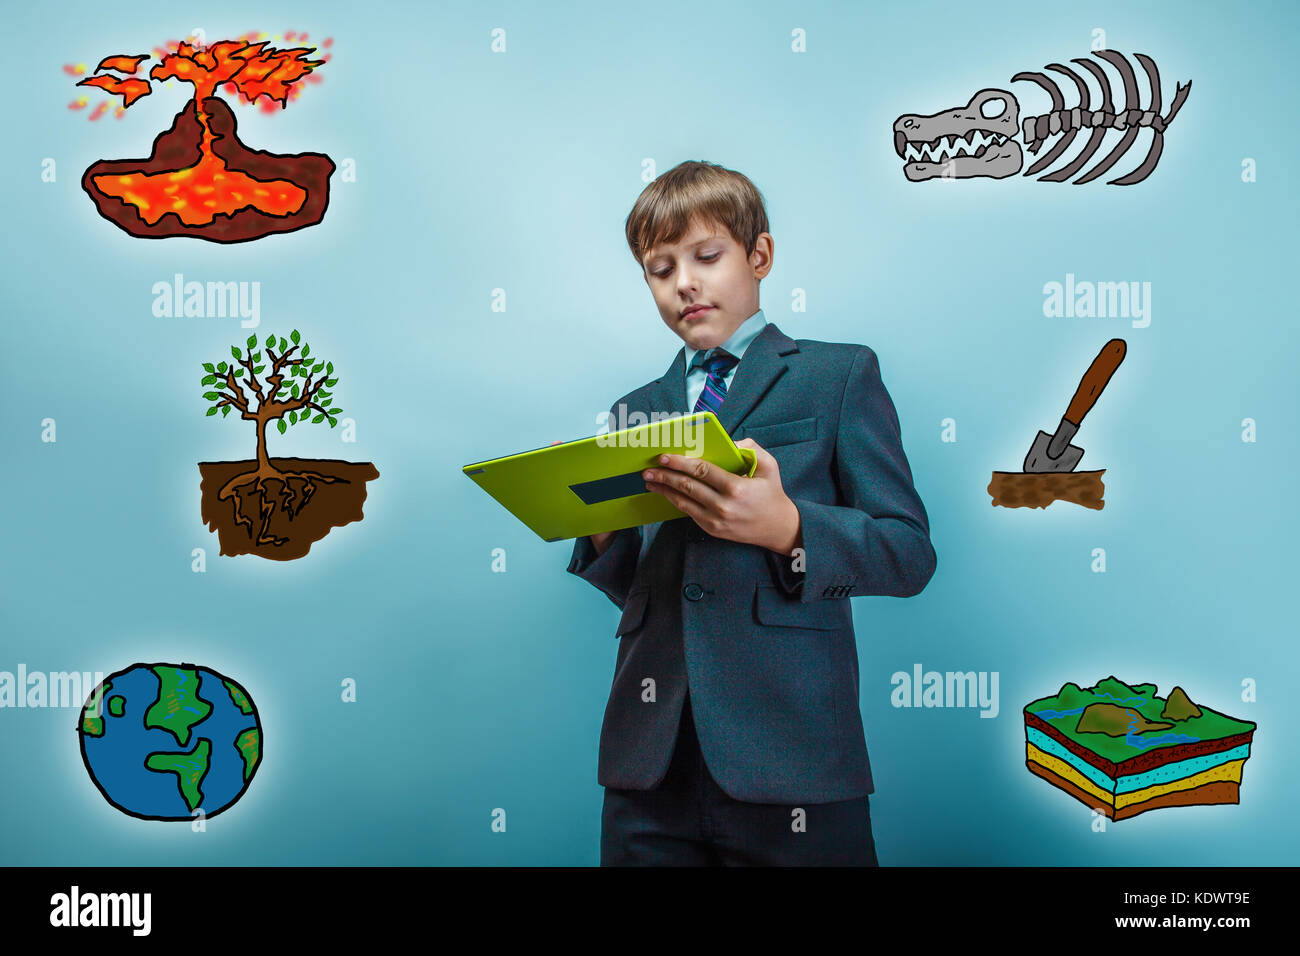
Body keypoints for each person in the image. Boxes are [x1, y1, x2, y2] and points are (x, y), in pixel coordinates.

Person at [567, 159, 936, 865]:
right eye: (659, 268)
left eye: (706, 256)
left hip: (793, 753)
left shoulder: (838, 374)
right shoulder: (632, 409)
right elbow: (643, 586)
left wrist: (791, 529)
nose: (685, 283)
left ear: (758, 256)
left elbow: (908, 552)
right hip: (650, 763)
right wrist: (603, 535)